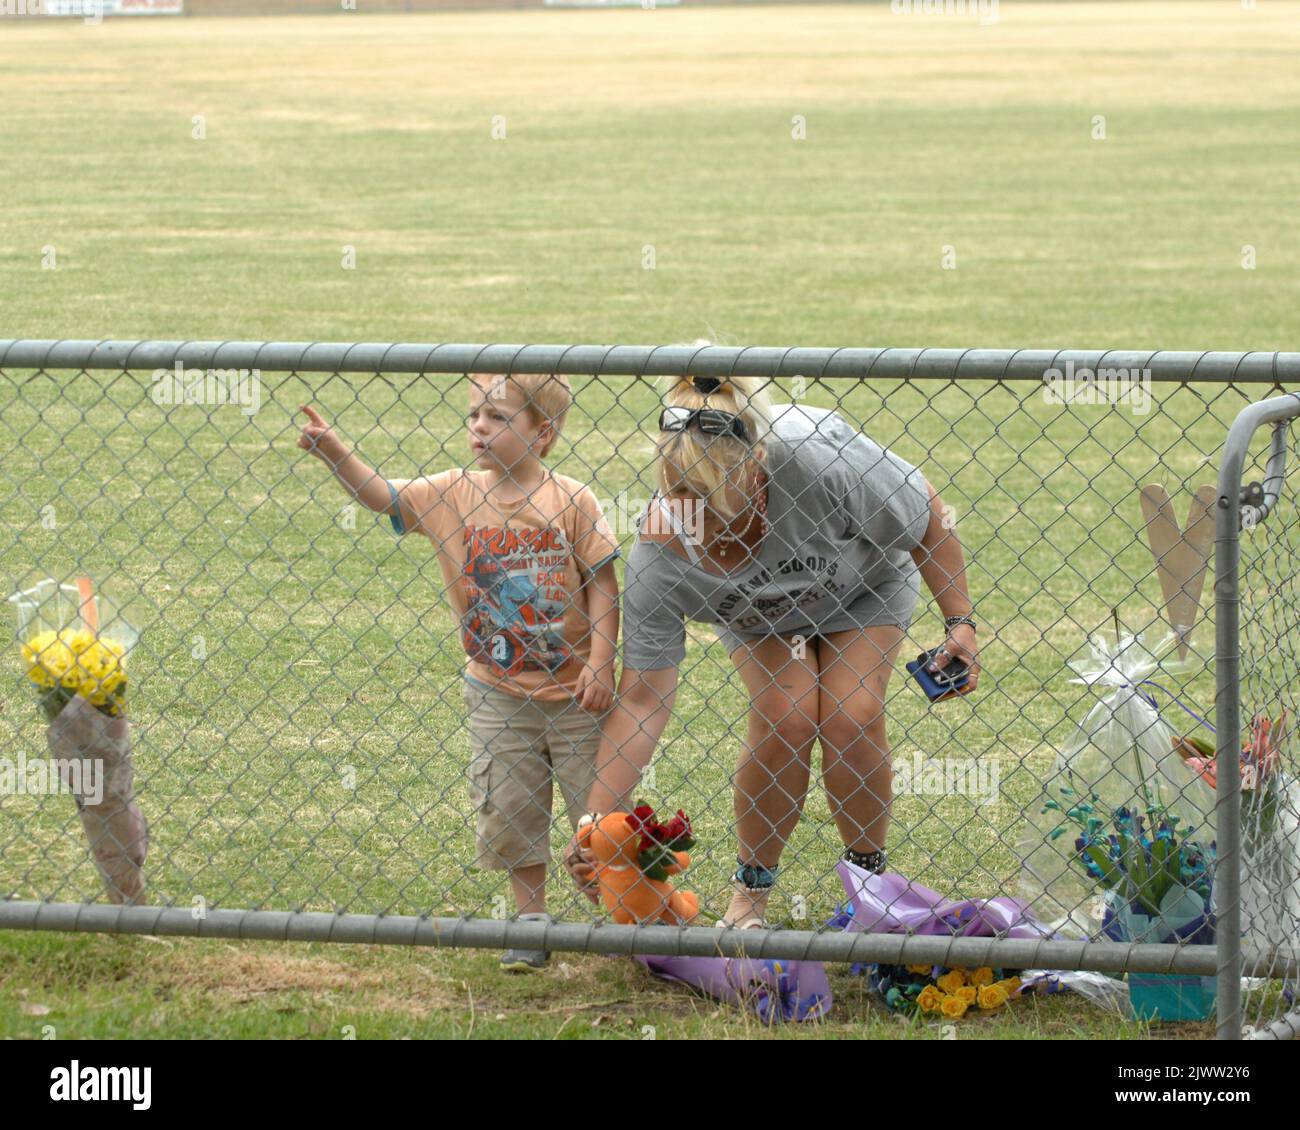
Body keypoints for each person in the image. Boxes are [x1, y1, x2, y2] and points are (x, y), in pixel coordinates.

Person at [565, 373, 979, 929]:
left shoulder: (816, 463)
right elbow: (642, 702)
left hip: (862, 587)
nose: (698, 524)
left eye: (713, 506)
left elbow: (928, 515)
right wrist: (595, 822)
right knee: (784, 716)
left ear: (758, 466)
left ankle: (869, 884)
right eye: (681, 498)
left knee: (851, 717)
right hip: (763, 617)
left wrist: (960, 622)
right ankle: (751, 889)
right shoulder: (660, 558)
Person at [298, 372, 621, 970]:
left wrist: (602, 662)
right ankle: (530, 919)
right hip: (496, 692)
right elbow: (383, 497)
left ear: (543, 433)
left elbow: (603, 582)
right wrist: (336, 454)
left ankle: (623, 920)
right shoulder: (449, 493)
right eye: (474, 414)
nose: (478, 426)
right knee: (509, 806)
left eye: (498, 417)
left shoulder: (574, 500)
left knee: (598, 815)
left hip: (578, 695)